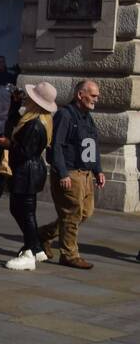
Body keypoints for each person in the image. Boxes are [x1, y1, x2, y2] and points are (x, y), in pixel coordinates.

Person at [40, 79, 105, 270]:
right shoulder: (64, 115)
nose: (96, 99)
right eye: (93, 95)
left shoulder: (87, 117)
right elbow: (56, 146)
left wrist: (98, 170)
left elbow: (93, 145)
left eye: (97, 96)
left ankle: (43, 234)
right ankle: (69, 254)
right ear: (80, 95)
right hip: (69, 173)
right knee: (71, 214)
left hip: (85, 174)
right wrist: (62, 173)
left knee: (85, 213)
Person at [0, 82, 57, 271]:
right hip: (28, 171)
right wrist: (15, 105)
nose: (27, 99)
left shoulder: (35, 124)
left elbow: (25, 151)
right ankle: (36, 247)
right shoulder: (36, 119)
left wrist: (8, 144)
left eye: (30, 98)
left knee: (24, 211)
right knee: (21, 210)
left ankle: (30, 252)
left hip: (27, 171)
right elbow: (13, 124)